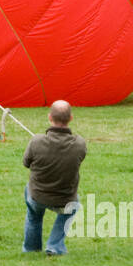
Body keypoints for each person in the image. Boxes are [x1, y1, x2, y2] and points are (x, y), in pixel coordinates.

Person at [22, 101, 88, 256]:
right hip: (65, 197)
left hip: (38, 195)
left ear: (49, 117)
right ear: (70, 118)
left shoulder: (36, 141)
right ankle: (54, 246)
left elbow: (26, 163)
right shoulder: (79, 143)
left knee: (34, 214)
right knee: (73, 206)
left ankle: (32, 248)